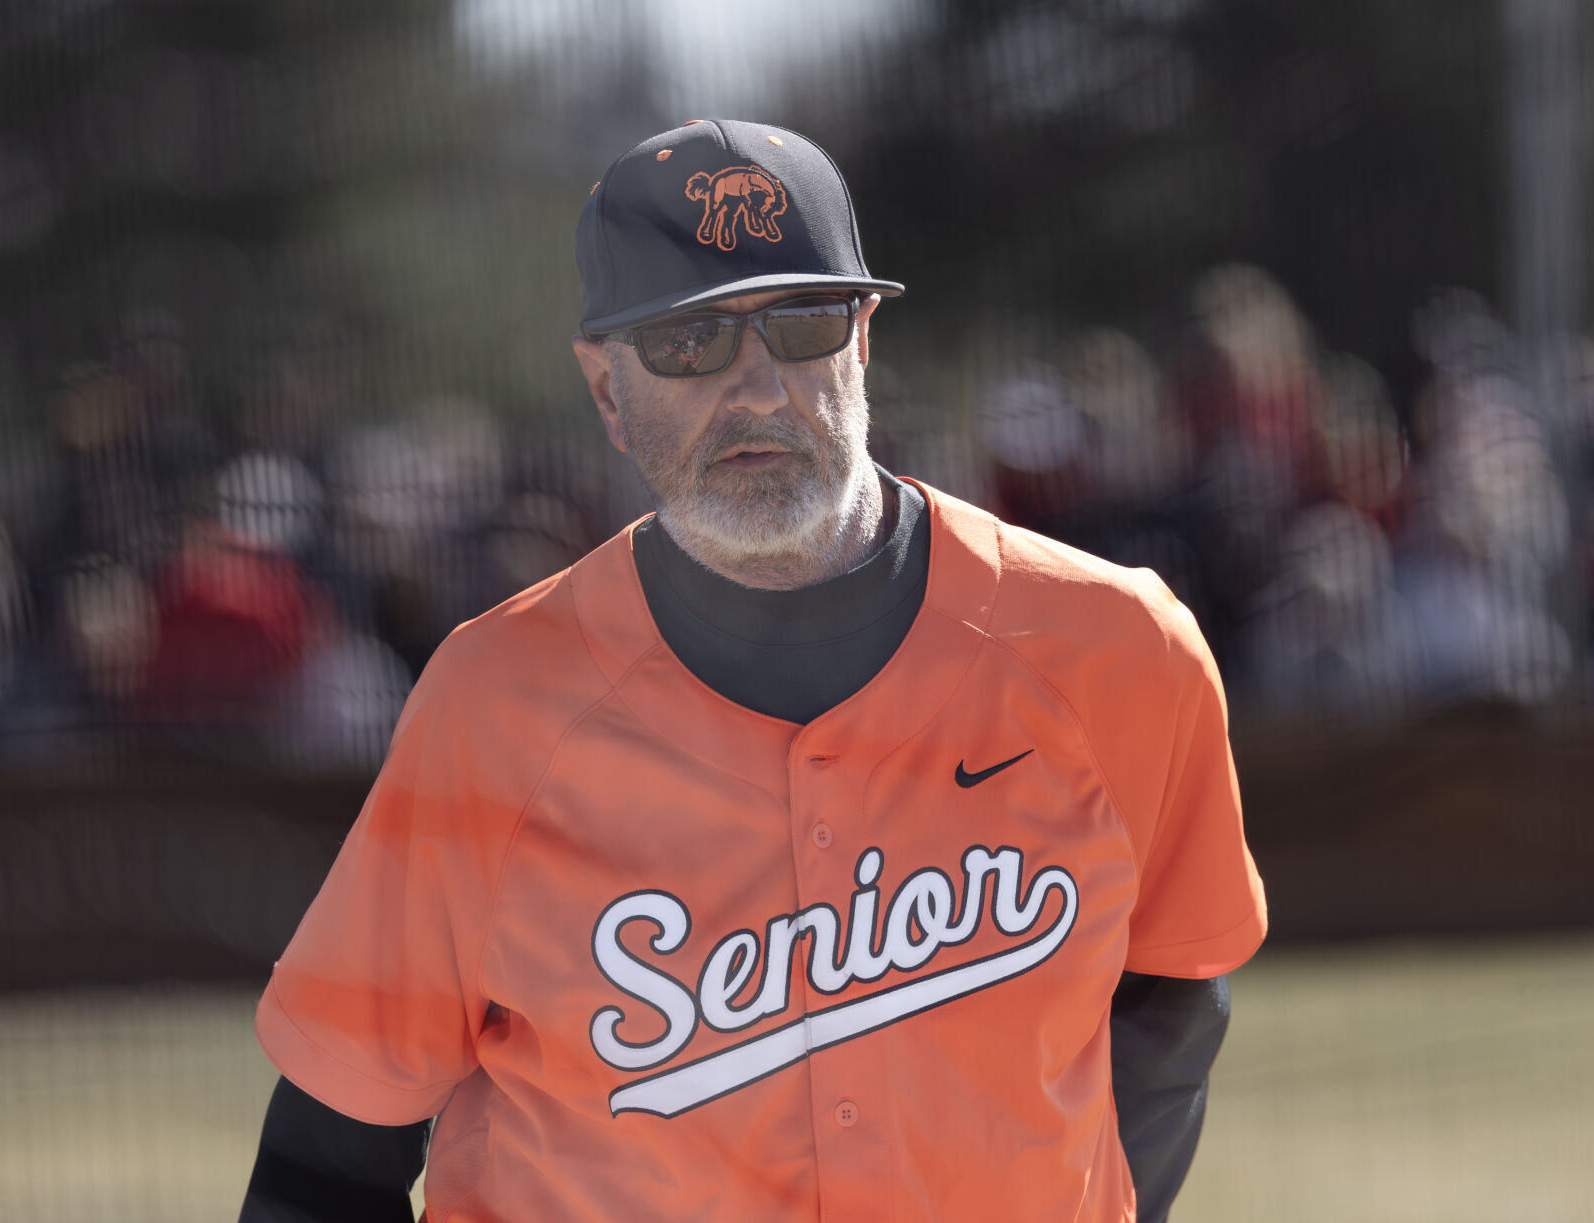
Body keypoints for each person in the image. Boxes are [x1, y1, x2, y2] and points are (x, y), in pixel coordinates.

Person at [240, 118, 1267, 1223]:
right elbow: (328, 1154)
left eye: (801, 321)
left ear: (862, 338)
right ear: (605, 389)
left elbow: (1171, 1010)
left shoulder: (1116, 650)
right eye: (689, 341)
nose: (760, 387)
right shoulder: (495, 706)